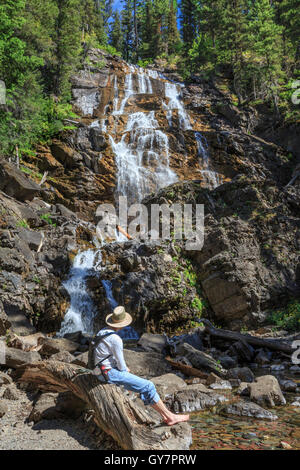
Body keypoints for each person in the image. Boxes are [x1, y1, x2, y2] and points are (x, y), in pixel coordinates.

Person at [94, 305, 190, 426]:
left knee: (141, 385)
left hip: (99, 371)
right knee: (148, 385)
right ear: (123, 324)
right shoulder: (115, 339)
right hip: (108, 374)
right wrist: (125, 371)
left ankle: (166, 416)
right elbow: (121, 364)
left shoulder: (102, 332)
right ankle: (170, 416)